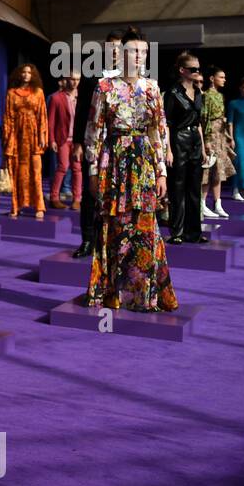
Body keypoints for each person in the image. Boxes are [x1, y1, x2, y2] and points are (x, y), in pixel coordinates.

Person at [83, 27, 178, 312]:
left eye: (143, 52)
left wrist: (161, 171)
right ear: (121, 54)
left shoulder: (152, 88)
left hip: (144, 164)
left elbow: (158, 132)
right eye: (133, 51)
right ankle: (113, 292)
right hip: (113, 162)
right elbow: (94, 131)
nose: (138, 56)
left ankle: (143, 294)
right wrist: (92, 171)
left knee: (146, 226)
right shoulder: (104, 87)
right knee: (115, 225)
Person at [70, 30, 122, 258]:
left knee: (117, 193)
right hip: (95, 142)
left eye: (119, 47)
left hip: (120, 143)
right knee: (90, 194)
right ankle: (88, 240)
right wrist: (78, 142)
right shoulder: (92, 76)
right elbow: (81, 110)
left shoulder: (130, 77)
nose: (114, 51)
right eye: (111, 47)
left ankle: (113, 241)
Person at [163, 51, 208, 244]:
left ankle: (194, 233)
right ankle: (177, 232)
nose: (197, 72)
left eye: (199, 68)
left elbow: (198, 123)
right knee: (178, 188)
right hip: (178, 140)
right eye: (193, 69)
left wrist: (204, 149)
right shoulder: (173, 93)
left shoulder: (198, 93)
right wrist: (168, 150)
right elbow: (166, 123)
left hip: (195, 142)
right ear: (182, 70)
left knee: (194, 189)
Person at [3, 63, 49, 218]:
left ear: (33, 75)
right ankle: (15, 206)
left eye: (29, 72)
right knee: (16, 171)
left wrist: (43, 135)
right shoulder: (11, 93)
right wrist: (8, 137)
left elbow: (42, 115)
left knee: (36, 170)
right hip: (17, 136)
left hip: (34, 135)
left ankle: (39, 207)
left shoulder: (38, 93)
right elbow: (8, 117)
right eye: (23, 72)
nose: (26, 75)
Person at [200, 67, 234, 217]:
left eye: (224, 77)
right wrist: (206, 139)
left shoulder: (220, 96)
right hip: (211, 134)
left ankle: (218, 204)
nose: (224, 80)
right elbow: (204, 117)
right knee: (209, 169)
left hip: (220, 135)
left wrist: (227, 137)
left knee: (219, 170)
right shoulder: (206, 96)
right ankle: (202, 203)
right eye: (221, 77)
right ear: (212, 78)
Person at [47, 73, 80, 210]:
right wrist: (52, 139)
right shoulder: (56, 98)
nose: (75, 82)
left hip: (77, 140)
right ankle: (54, 197)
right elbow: (51, 121)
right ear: (66, 80)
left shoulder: (81, 97)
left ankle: (77, 199)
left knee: (77, 168)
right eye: (72, 79)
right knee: (62, 167)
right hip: (63, 139)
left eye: (77, 80)